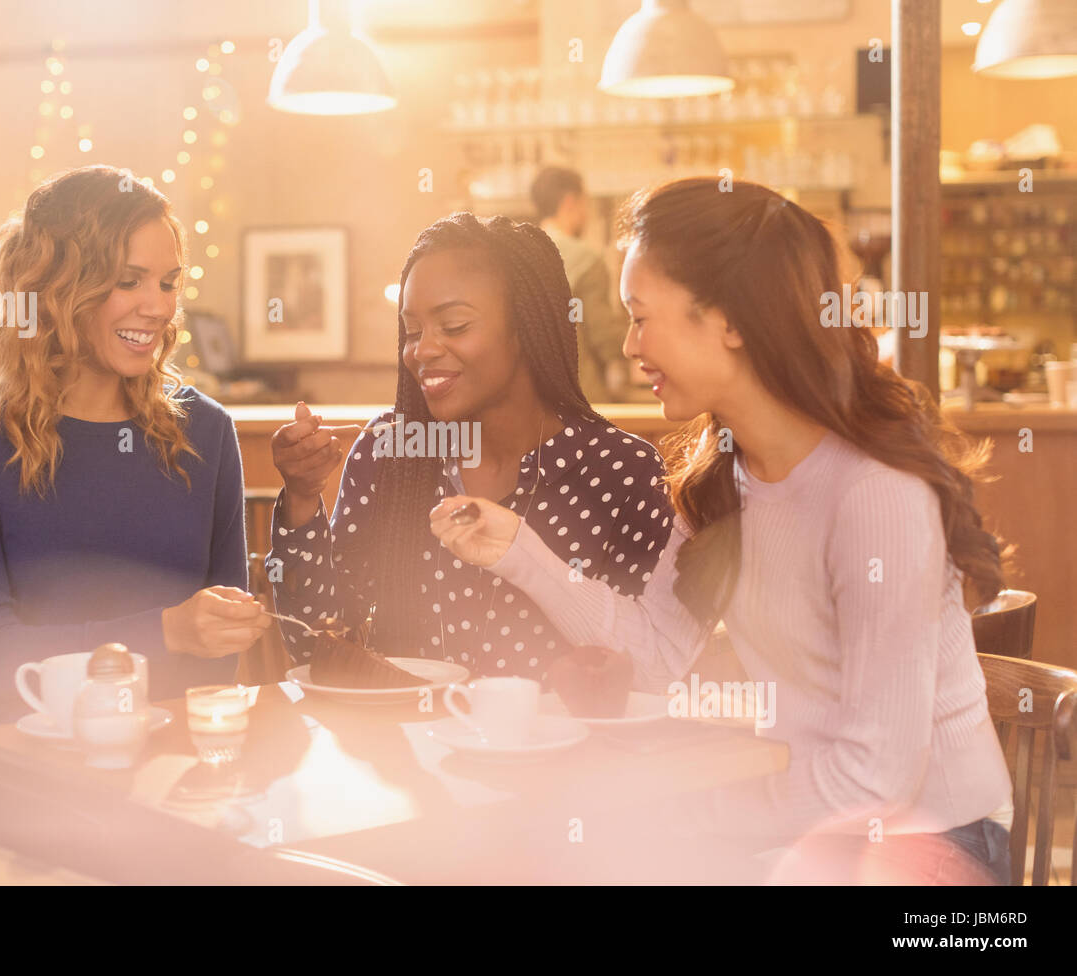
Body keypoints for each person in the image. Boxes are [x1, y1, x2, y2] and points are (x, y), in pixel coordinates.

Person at [429, 178, 1014, 885]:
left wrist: (697, 816)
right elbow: (652, 656)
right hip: (805, 832)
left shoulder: (874, 495)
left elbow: (876, 780)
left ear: (730, 319)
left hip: (934, 842)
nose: (633, 345)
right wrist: (519, 551)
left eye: (643, 317)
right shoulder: (723, 479)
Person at [0, 165, 270, 843]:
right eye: (126, 280)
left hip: (157, 780)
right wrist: (167, 632)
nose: (156, 306)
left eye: (168, 281)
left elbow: (216, 655)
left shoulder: (206, 431)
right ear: (55, 289)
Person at [267, 212, 672, 681]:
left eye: (454, 326)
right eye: (413, 331)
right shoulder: (391, 452)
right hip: (406, 747)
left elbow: (646, 670)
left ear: (527, 328)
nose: (423, 350)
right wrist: (300, 498)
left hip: (560, 752)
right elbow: (316, 644)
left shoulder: (623, 472)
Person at [531, 166, 626, 403]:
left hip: (536, 395)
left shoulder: (523, 255)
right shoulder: (586, 259)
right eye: (585, 205)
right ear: (570, 202)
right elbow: (602, 333)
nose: (587, 214)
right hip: (581, 393)